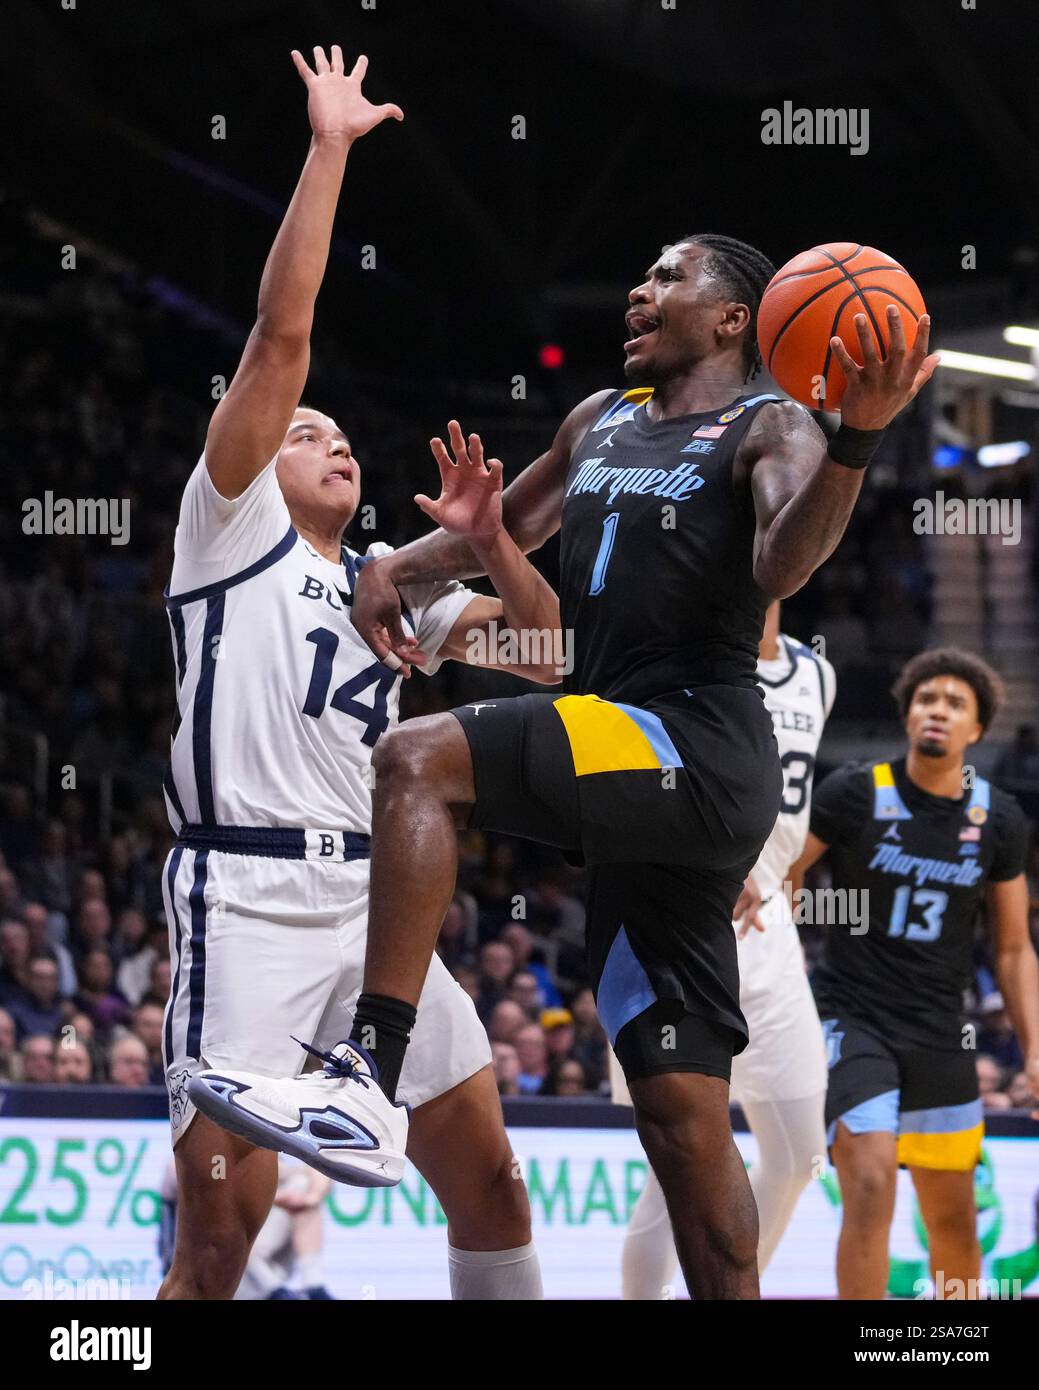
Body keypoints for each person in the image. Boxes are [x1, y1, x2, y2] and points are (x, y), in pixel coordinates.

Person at [212, 222, 939, 1298]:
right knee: (681, 1121)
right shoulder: (600, 419)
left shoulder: (771, 424)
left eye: (666, 278)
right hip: (631, 759)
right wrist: (401, 568)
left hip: (694, 737)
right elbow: (503, 524)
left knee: (416, 755)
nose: (638, 293)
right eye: (638, 275)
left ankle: (366, 1073)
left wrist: (857, 442)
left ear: (736, 317)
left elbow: (782, 556)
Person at [163, 47, 551, 1301]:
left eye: (341, 435)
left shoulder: (390, 583)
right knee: (222, 1241)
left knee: (491, 1184)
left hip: (378, 915)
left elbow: (548, 657)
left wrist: (490, 543)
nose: (327, 439)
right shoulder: (226, 530)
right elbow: (283, 334)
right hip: (249, 900)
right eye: (303, 431)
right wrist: (329, 147)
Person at [789, 649, 1039, 1299]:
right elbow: (780, 878)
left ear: (976, 730)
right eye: (926, 699)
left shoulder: (998, 820)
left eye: (955, 704)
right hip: (853, 1018)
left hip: (939, 1032)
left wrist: (1034, 1046)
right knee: (869, 1185)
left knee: (951, 1218)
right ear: (906, 716)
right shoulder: (853, 792)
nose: (937, 710)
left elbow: (1011, 949)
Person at [610, 600, 834, 1295]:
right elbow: (639, 781)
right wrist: (701, 864)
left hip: (768, 926)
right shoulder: (679, 648)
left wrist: (777, 875)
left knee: (797, 1153)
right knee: (673, 1162)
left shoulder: (817, 672)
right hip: (683, 922)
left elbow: (789, 806)